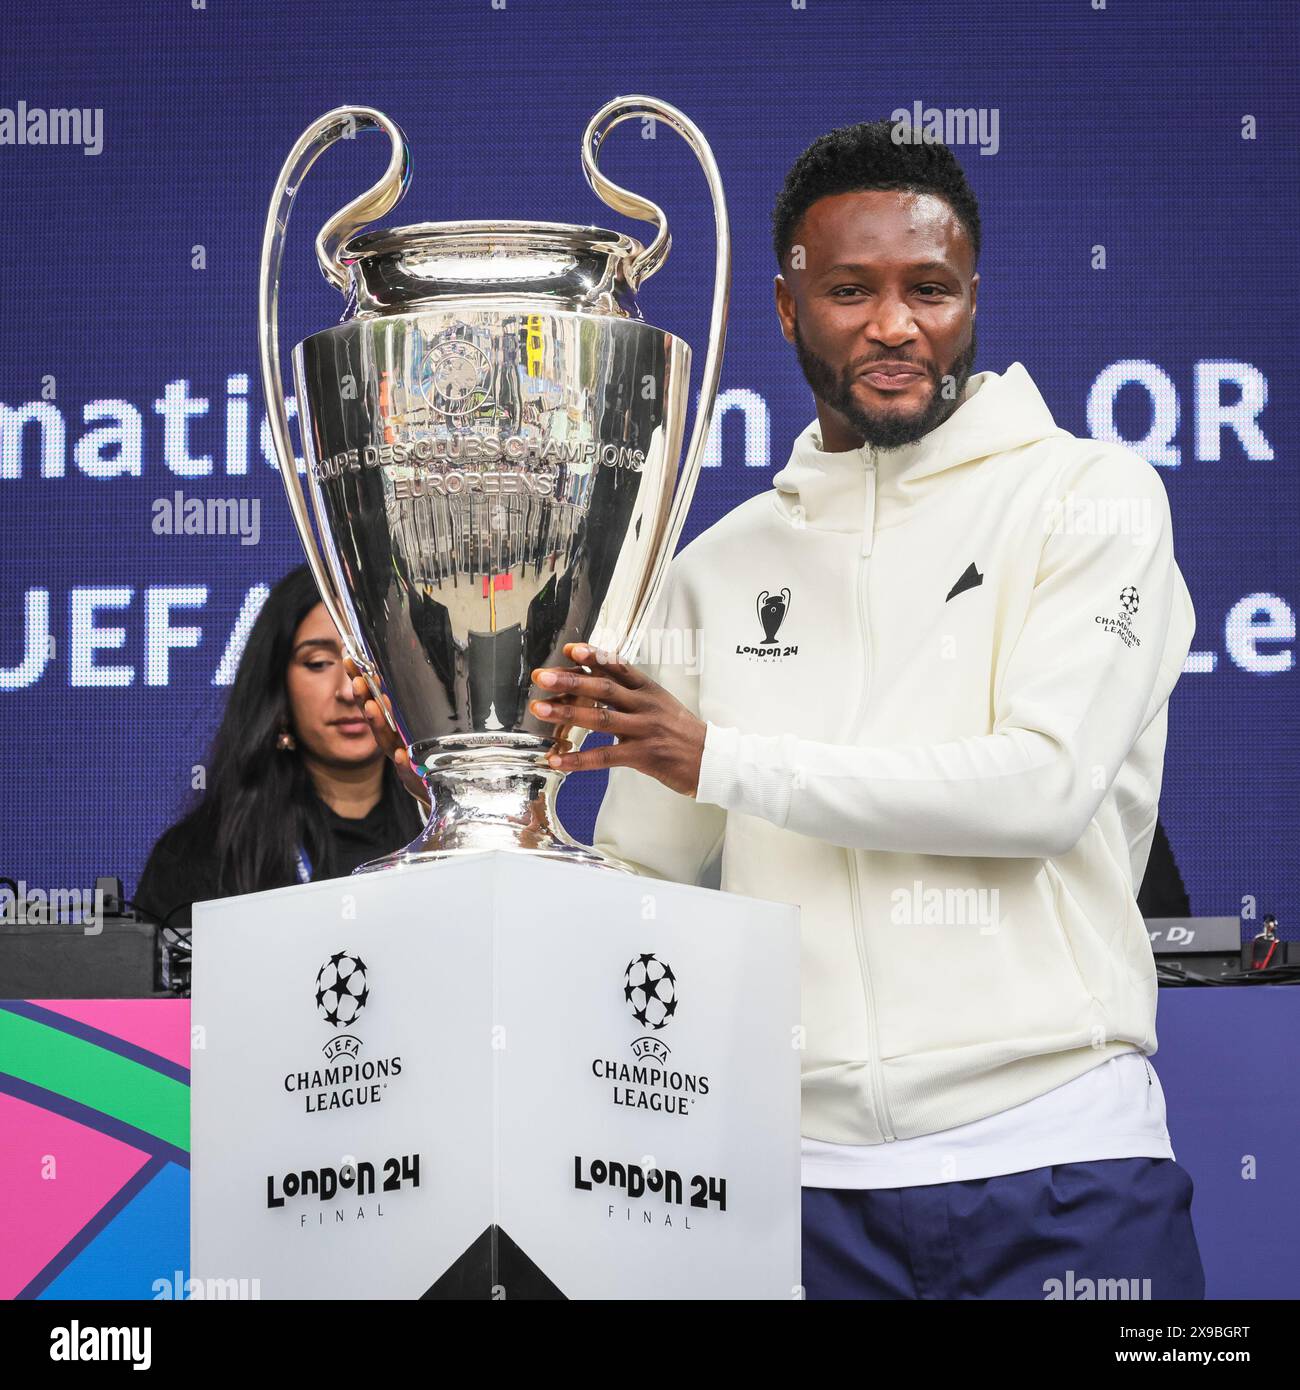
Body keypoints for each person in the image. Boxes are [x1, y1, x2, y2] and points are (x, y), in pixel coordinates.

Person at [356, 121, 1205, 1300]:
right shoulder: (711, 565)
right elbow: (643, 897)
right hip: (791, 1196)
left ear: (973, 297)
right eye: (851, 290)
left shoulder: (1090, 498)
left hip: (1062, 1159)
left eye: (930, 289)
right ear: (785, 306)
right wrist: (468, 768)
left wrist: (726, 759)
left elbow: (1042, 790)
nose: (894, 325)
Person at [134, 564, 425, 929]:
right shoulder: (198, 857)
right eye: (318, 663)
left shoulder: (448, 834)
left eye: (365, 660)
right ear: (278, 692)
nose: (348, 689)